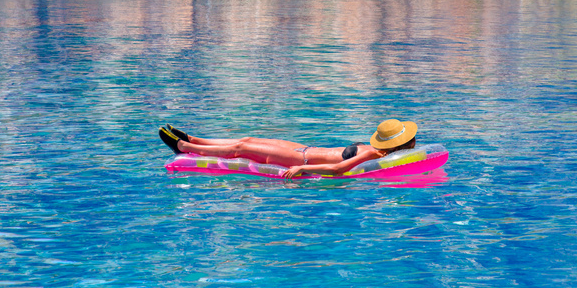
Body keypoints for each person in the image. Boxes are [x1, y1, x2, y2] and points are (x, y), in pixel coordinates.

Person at [158, 119, 418, 179]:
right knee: (246, 140)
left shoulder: (375, 153)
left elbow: (338, 169)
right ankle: (194, 139)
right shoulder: (376, 151)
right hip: (302, 149)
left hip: (299, 158)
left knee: (241, 148)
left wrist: (301, 169)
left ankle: (184, 146)